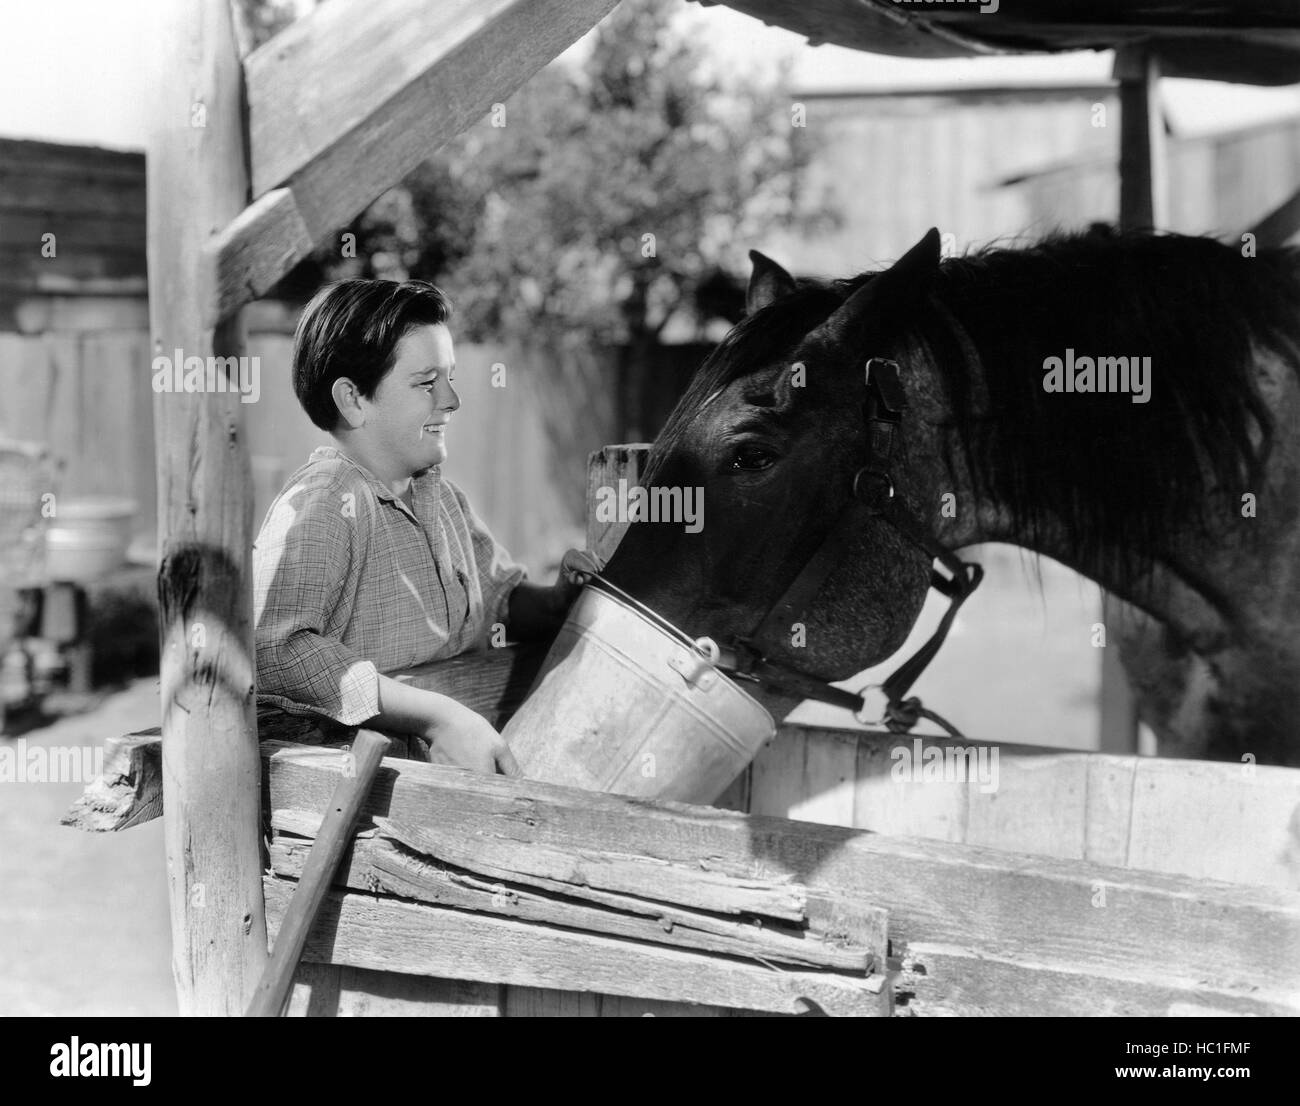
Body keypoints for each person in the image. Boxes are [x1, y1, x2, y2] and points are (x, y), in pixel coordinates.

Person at [253, 279, 597, 774]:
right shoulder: (328, 500)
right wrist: (436, 716)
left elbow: (498, 601)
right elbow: (276, 651)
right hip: (367, 802)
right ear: (353, 399)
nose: (452, 399)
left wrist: (560, 599)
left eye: (451, 377)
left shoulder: (442, 497)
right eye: (426, 382)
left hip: (452, 784)